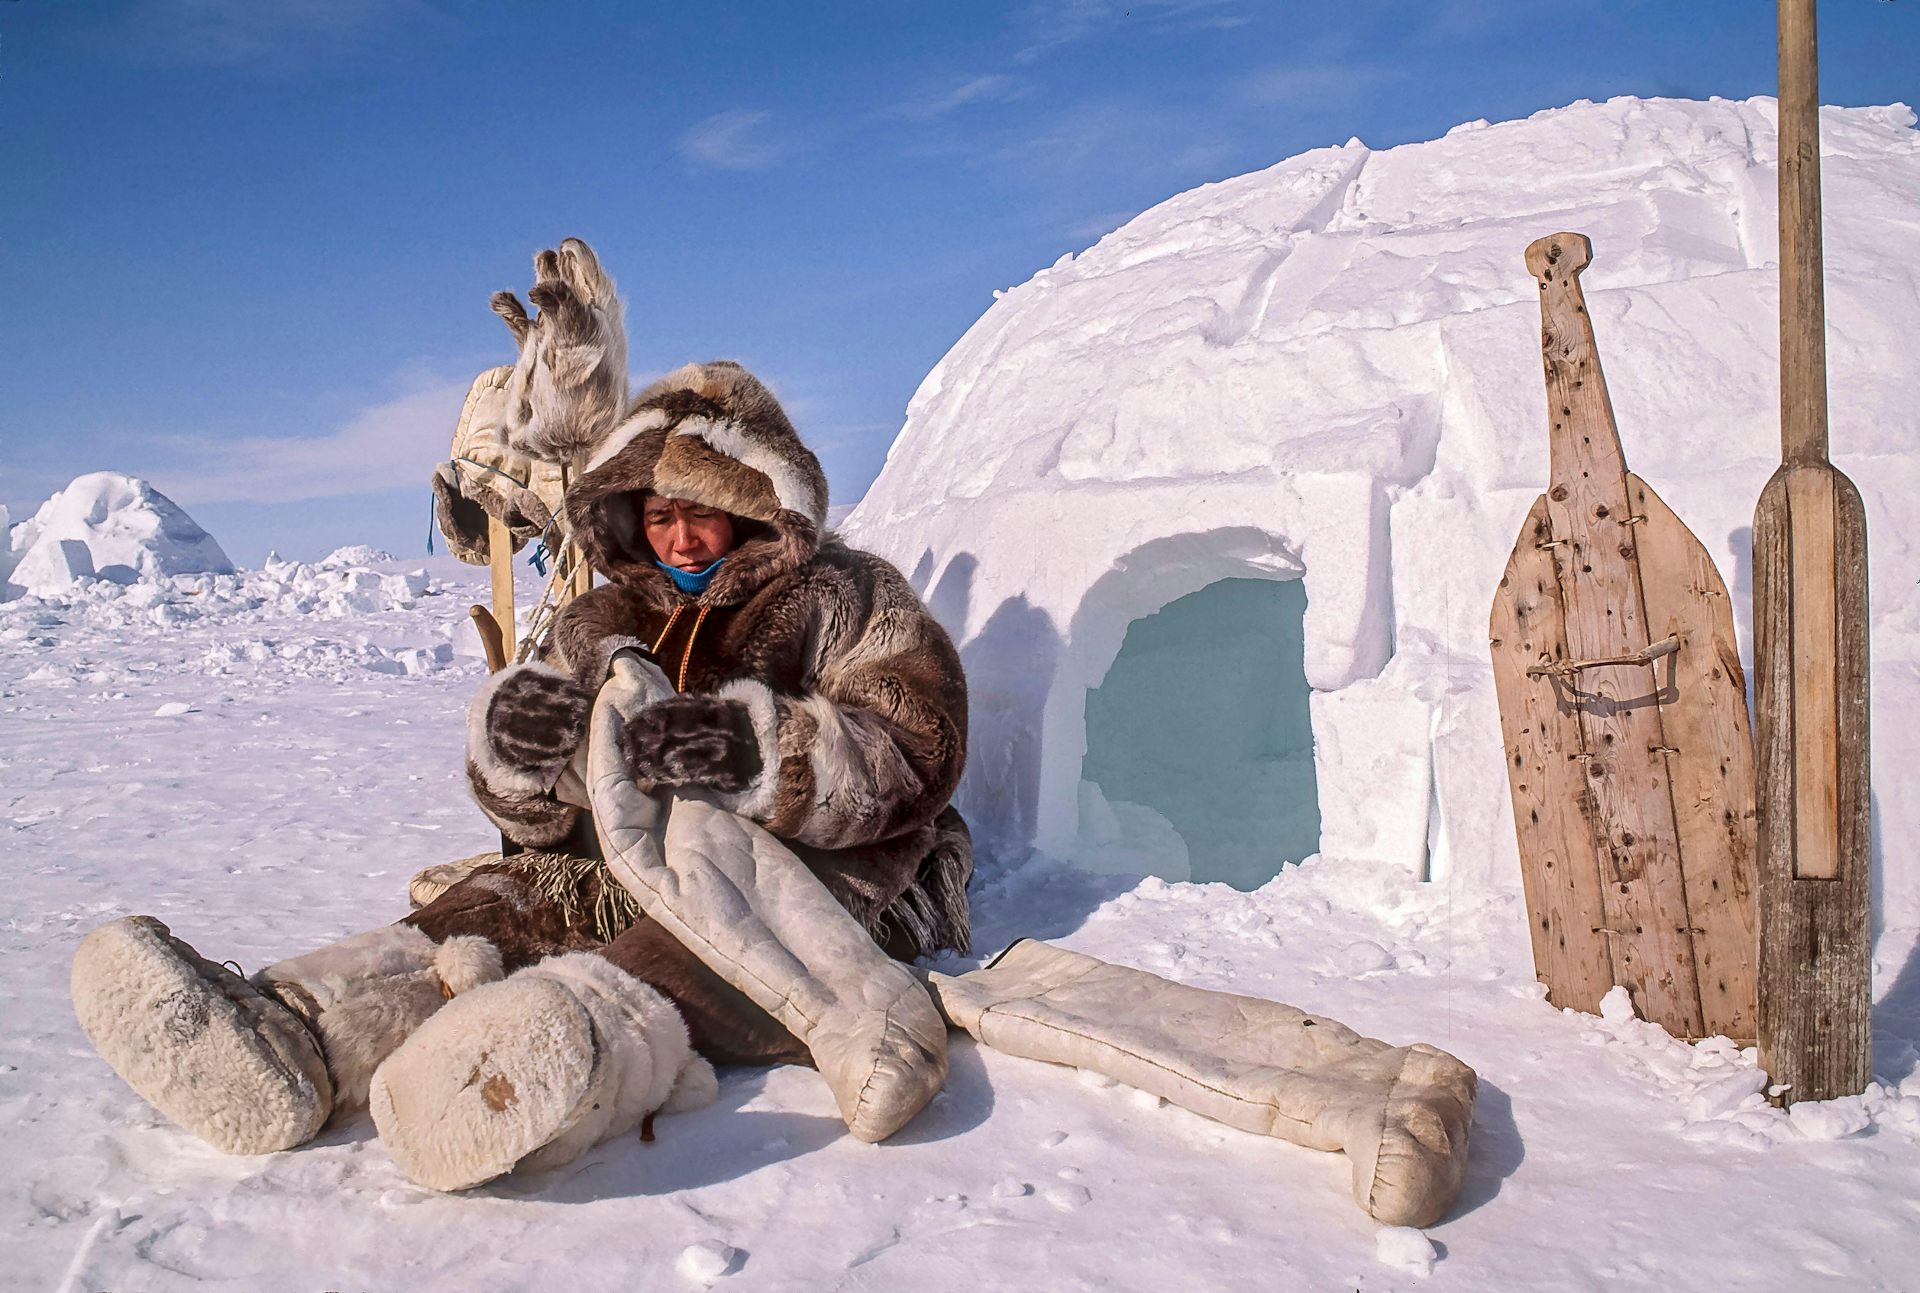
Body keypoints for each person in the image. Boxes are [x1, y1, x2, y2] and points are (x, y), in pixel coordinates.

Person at [71, 259, 973, 1184]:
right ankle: (294, 1034)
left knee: (664, 963)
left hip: (813, 883)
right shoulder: (608, 619)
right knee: (490, 908)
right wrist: (524, 756)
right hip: (622, 864)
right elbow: (523, 819)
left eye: (703, 513)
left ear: (756, 504)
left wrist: (741, 750)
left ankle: (523, 1074)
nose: (680, 538)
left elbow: (915, 748)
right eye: (659, 515)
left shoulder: (847, 596)